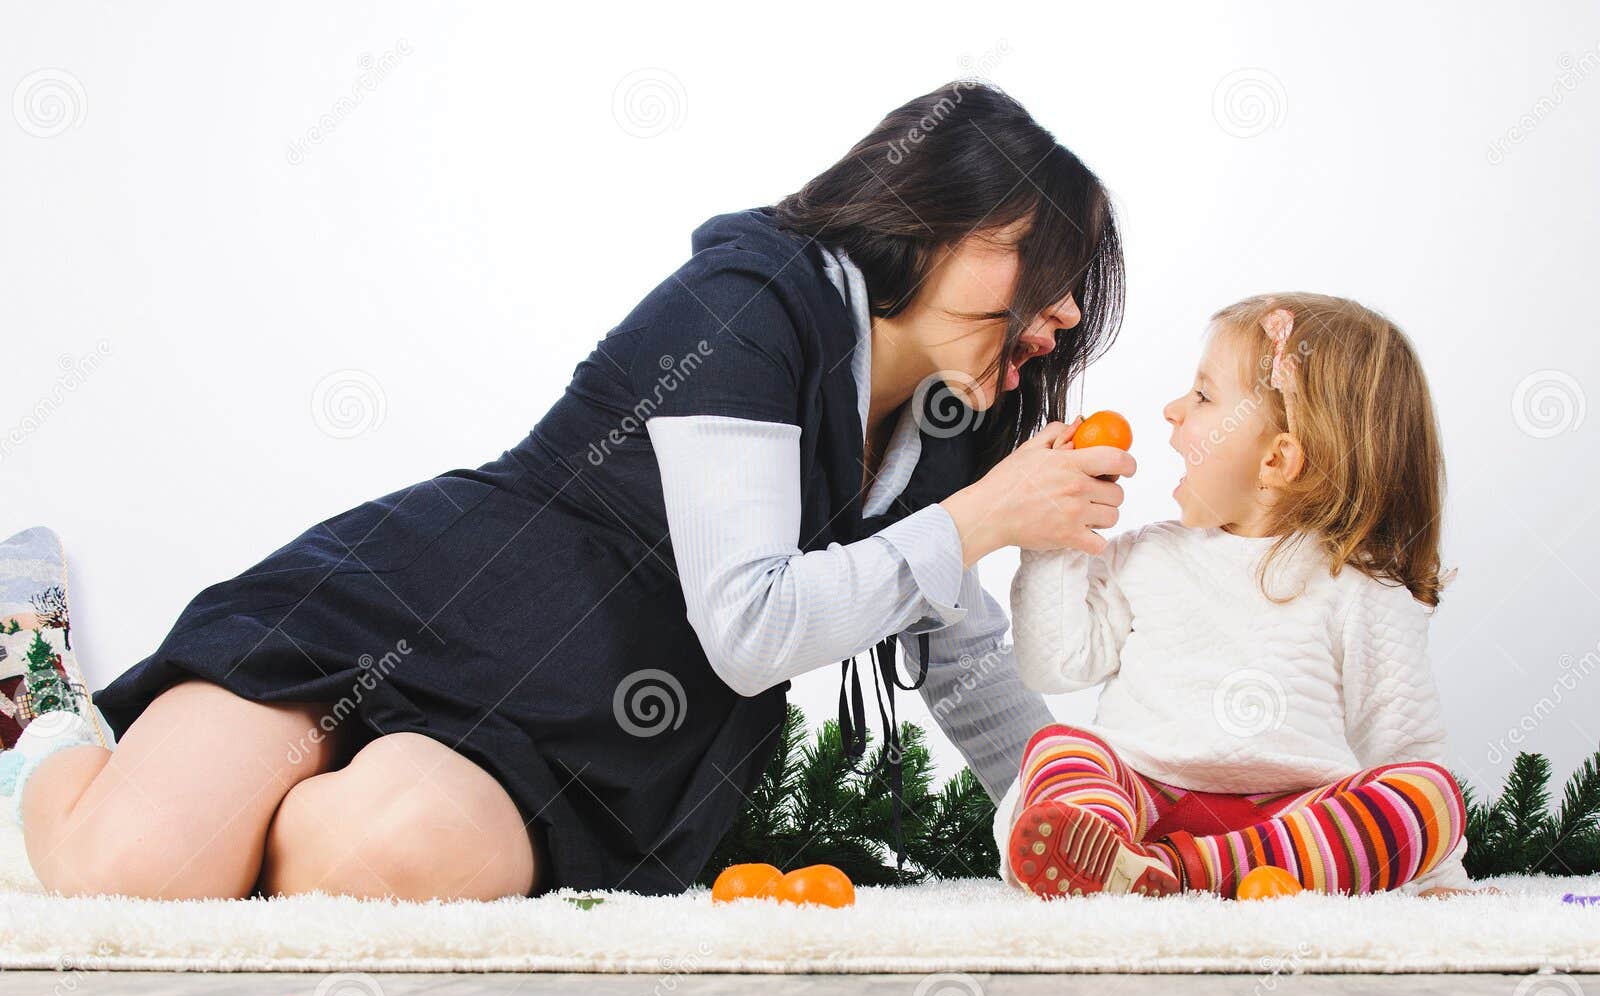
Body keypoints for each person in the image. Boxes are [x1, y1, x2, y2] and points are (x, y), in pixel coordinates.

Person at [6, 80, 1132, 901]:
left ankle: (262, 809)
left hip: (606, 740)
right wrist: (979, 520)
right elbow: (750, 624)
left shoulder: (945, 426)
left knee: (369, 863)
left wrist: (1073, 808)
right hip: (426, 602)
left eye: (1079, 286)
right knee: (133, 878)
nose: (1069, 311)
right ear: (932, 220)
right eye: (1046, 265)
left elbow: (964, 653)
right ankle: (41, 689)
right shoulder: (752, 302)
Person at [998, 292, 1484, 900]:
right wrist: (1053, 537)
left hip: (1292, 830)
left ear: (1277, 459)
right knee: (1063, 748)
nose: (1173, 410)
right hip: (1144, 799)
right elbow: (1056, 664)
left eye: (1203, 397)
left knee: (1429, 794)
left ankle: (1175, 874)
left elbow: (1403, 741)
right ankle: (1113, 853)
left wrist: (1440, 876)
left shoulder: (1356, 585)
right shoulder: (1143, 555)